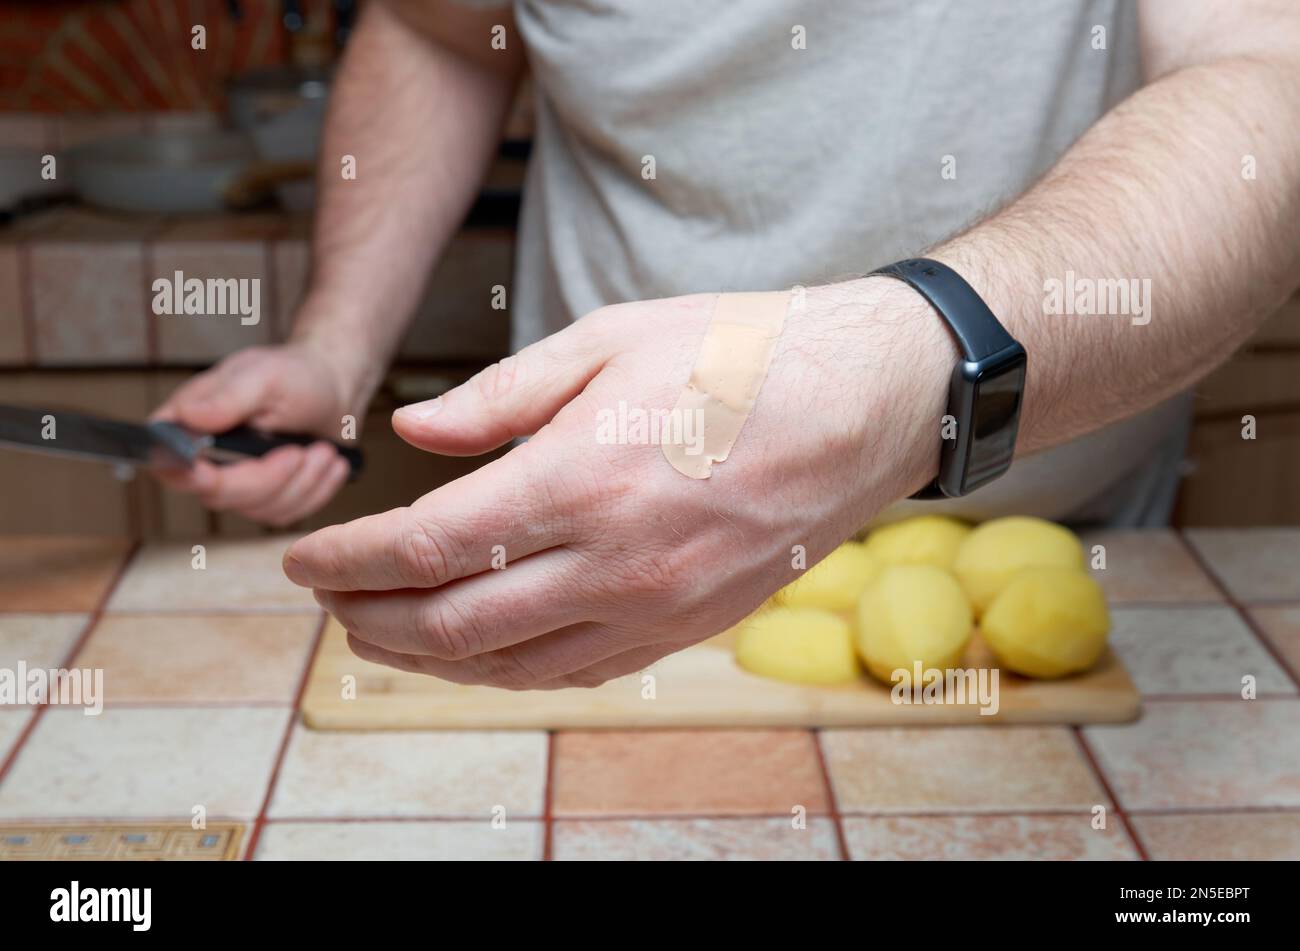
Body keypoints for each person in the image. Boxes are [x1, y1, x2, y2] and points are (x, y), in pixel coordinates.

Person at [152, 0, 1300, 689]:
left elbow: (1267, 80)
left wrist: (908, 374)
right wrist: (333, 349)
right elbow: (439, 29)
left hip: (1041, 548)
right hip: (598, 576)